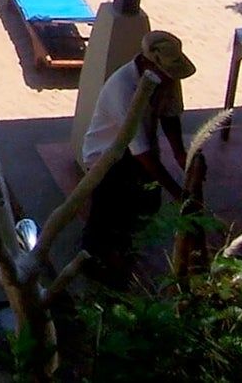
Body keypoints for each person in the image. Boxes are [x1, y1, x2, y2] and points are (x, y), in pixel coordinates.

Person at [80, 30, 196, 284]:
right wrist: (177, 192)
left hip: (136, 153)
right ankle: (95, 264)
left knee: (147, 204)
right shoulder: (122, 88)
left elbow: (169, 114)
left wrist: (181, 154)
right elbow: (141, 151)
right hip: (107, 156)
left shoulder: (167, 78)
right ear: (147, 63)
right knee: (108, 213)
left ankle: (125, 250)